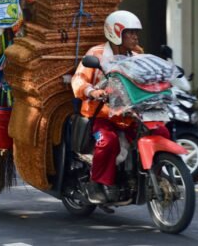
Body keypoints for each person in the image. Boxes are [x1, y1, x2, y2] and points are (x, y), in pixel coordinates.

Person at [71, 10, 170, 204]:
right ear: (115, 34)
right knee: (108, 142)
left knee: (162, 131)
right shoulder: (96, 54)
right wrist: (92, 92)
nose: (135, 37)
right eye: (130, 32)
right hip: (102, 116)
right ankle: (97, 183)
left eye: (136, 33)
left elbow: (146, 79)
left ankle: (155, 175)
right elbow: (78, 80)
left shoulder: (137, 55)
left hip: (130, 114)